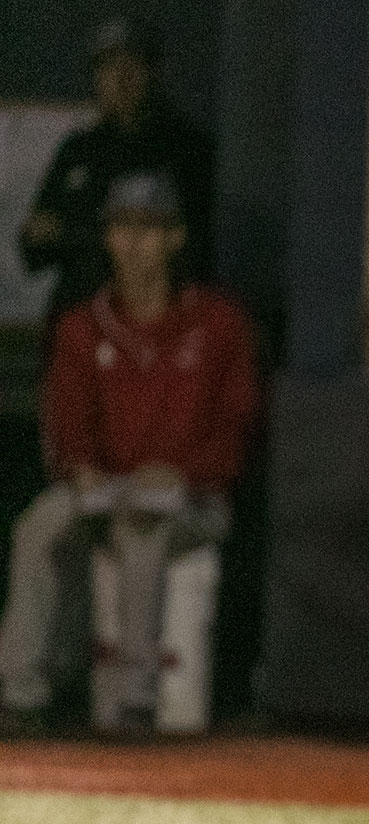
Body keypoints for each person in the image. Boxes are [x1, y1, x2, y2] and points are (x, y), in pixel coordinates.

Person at [0, 173, 256, 734]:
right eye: (122, 228)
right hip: (105, 492)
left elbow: (234, 430)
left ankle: (134, 702)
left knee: (142, 526)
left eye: (149, 229)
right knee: (37, 527)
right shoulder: (81, 326)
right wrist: (81, 468)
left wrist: (182, 473)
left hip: (191, 502)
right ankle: (19, 694)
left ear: (175, 237)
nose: (135, 243)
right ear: (107, 238)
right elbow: (67, 424)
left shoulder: (216, 322)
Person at [17, 18, 215, 333]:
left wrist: (71, 234)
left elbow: (185, 246)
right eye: (108, 68)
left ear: (153, 72)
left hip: (154, 321)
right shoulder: (79, 149)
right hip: (80, 317)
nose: (120, 79)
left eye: (131, 66)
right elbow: (33, 247)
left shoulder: (187, 149)